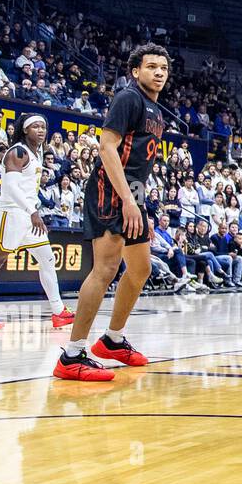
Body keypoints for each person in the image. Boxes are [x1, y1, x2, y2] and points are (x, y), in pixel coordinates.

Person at [55, 44, 169, 381]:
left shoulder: (155, 107)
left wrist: (139, 197)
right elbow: (106, 147)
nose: (159, 72)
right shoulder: (128, 98)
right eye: (151, 66)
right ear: (136, 71)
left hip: (134, 192)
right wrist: (128, 200)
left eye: (163, 67)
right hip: (111, 191)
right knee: (105, 269)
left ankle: (113, 340)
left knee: (140, 268)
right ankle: (72, 354)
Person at [0, 115, 74, 331]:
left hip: (27, 215)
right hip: (10, 213)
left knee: (47, 259)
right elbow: (11, 187)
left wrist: (33, 210)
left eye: (43, 126)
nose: (41, 130)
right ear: (25, 130)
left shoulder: (36, 152)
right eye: (35, 127)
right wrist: (33, 211)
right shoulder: (18, 151)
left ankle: (58, 311)